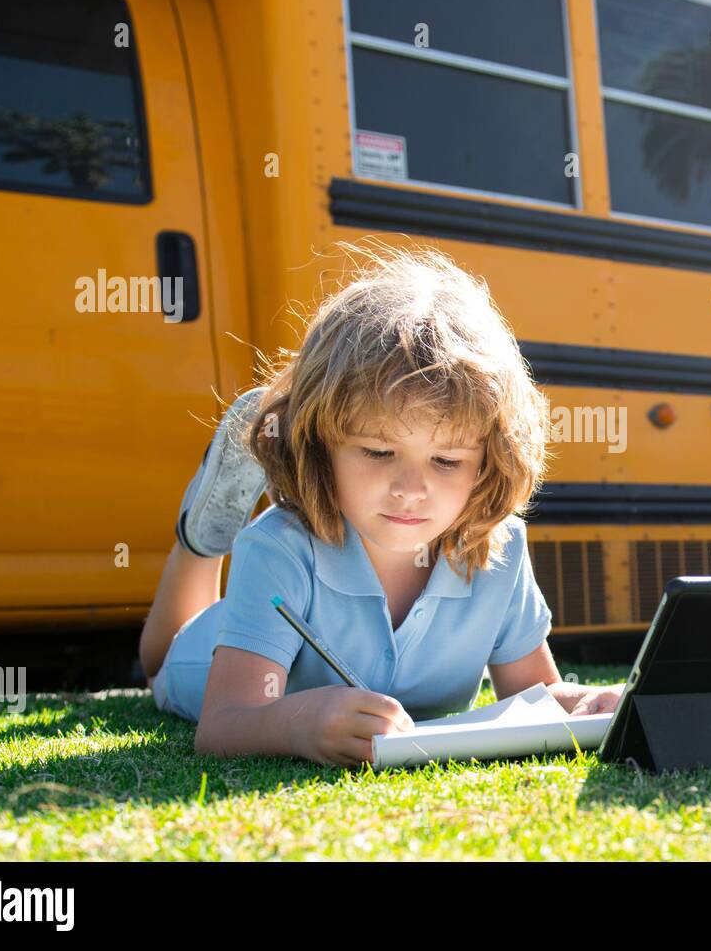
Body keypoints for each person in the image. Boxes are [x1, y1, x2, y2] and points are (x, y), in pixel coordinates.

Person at [137, 243, 624, 766]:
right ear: (318, 443)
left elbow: (534, 695)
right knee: (160, 659)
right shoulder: (277, 547)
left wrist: (589, 702)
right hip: (201, 657)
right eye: (378, 451)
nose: (411, 489)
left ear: (489, 461)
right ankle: (204, 539)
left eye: (446, 461)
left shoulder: (498, 546)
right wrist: (302, 721)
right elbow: (225, 723)